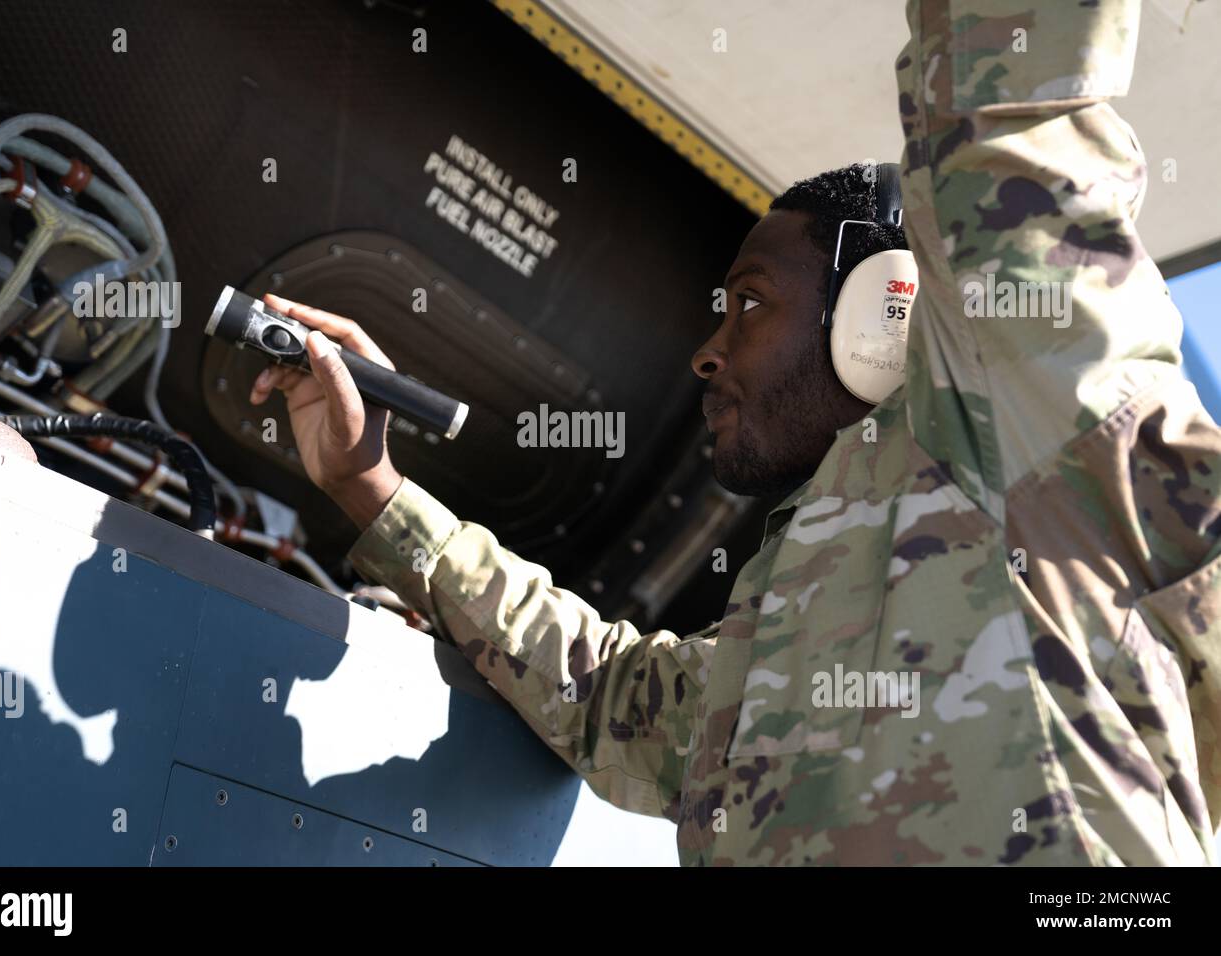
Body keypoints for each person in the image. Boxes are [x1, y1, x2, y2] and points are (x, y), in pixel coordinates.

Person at [250, 0, 1221, 865]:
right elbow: (603, 697)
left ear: (882, 315)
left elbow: (1013, 126)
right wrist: (369, 484)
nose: (706, 356)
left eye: (746, 304)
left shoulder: (1025, 417)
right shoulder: (778, 641)